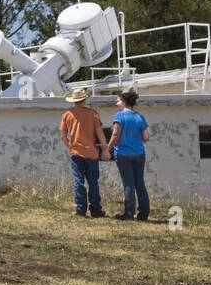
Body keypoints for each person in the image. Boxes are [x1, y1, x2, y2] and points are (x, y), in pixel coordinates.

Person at [58, 88, 109, 218]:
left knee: (78, 181)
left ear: (74, 101)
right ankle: (96, 210)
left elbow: (63, 135)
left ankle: (80, 209)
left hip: (76, 152)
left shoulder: (67, 115)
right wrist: (105, 149)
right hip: (91, 153)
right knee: (93, 182)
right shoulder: (93, 114)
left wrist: (70, 146)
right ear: (84, 100)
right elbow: (100, 134)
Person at [106, 89, 150, 221]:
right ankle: (143, 213)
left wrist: (108, 149)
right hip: (139, 153)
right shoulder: (139, 117)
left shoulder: (119, 116)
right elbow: (146, 137)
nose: (117, 103)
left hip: (124, 154)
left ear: (124, 102)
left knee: (128, 184)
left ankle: (129, 213)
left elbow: (115, 135)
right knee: (139, 183)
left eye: (118, 101)